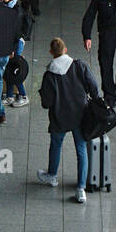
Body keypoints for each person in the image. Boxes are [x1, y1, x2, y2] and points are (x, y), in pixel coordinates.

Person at [38, 39, 100, 204]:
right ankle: (81, 188)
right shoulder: (79, 66)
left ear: (51, 52)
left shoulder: (49, 73)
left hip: (59, 116)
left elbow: (47, 103)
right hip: (80, 114)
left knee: (56, 145)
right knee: (81, 149)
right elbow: (94, 88)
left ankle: (52, 176)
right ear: (65, 49)